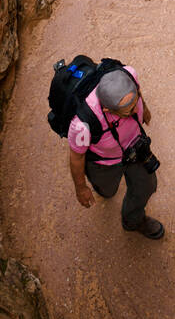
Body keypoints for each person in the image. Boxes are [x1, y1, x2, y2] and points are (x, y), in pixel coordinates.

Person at [68, 65, 164, 240]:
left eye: (135, 103)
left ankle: (133, 221)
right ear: (108, 111)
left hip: (135, 149)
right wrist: (80, 188)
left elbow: (138, 92)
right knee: (107, 191)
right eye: (128, 111)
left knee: (146, 185)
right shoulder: (82, 125)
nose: (136, 110)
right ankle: (102, 189)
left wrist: (145, 109)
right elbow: (76, 156)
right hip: (105, 164)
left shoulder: (129, 74)